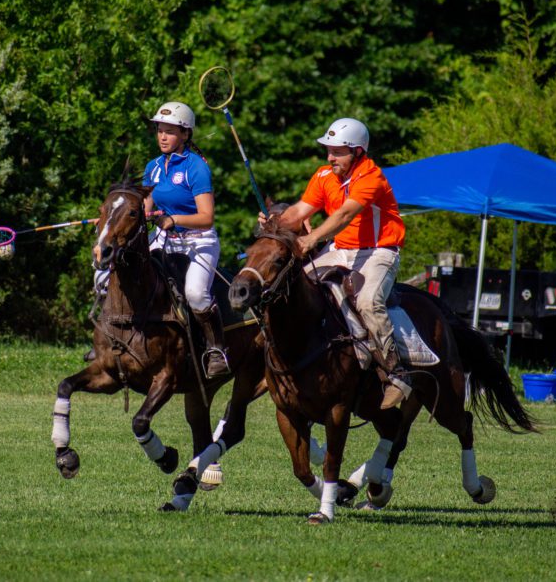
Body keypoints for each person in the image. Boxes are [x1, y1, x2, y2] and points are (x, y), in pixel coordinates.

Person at [262, 117, 411, 410]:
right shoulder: (323, 176)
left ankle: (396, 373)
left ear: (357, 152)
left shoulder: (372, 177)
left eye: (337, 151)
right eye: (328, 150)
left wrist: (311, 238)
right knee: (293, 285)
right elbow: (300, 211)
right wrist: (275, 224)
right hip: (341, 249)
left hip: (379, 252)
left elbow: (344, 215)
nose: (330, 157)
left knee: (368, 302)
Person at [92, 101, 229, 378]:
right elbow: (142, 211)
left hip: (197, 242)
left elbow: (207, 217)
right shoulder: (153, 167)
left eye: (170, 132)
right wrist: (112, 220)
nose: (163, 137)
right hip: (164, 240)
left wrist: (173, 219)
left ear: (185, 134)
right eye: (159, 131)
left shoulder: (196, 167)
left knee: (195, 294)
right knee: (104, 278)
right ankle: (108, 341)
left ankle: (216, 349)